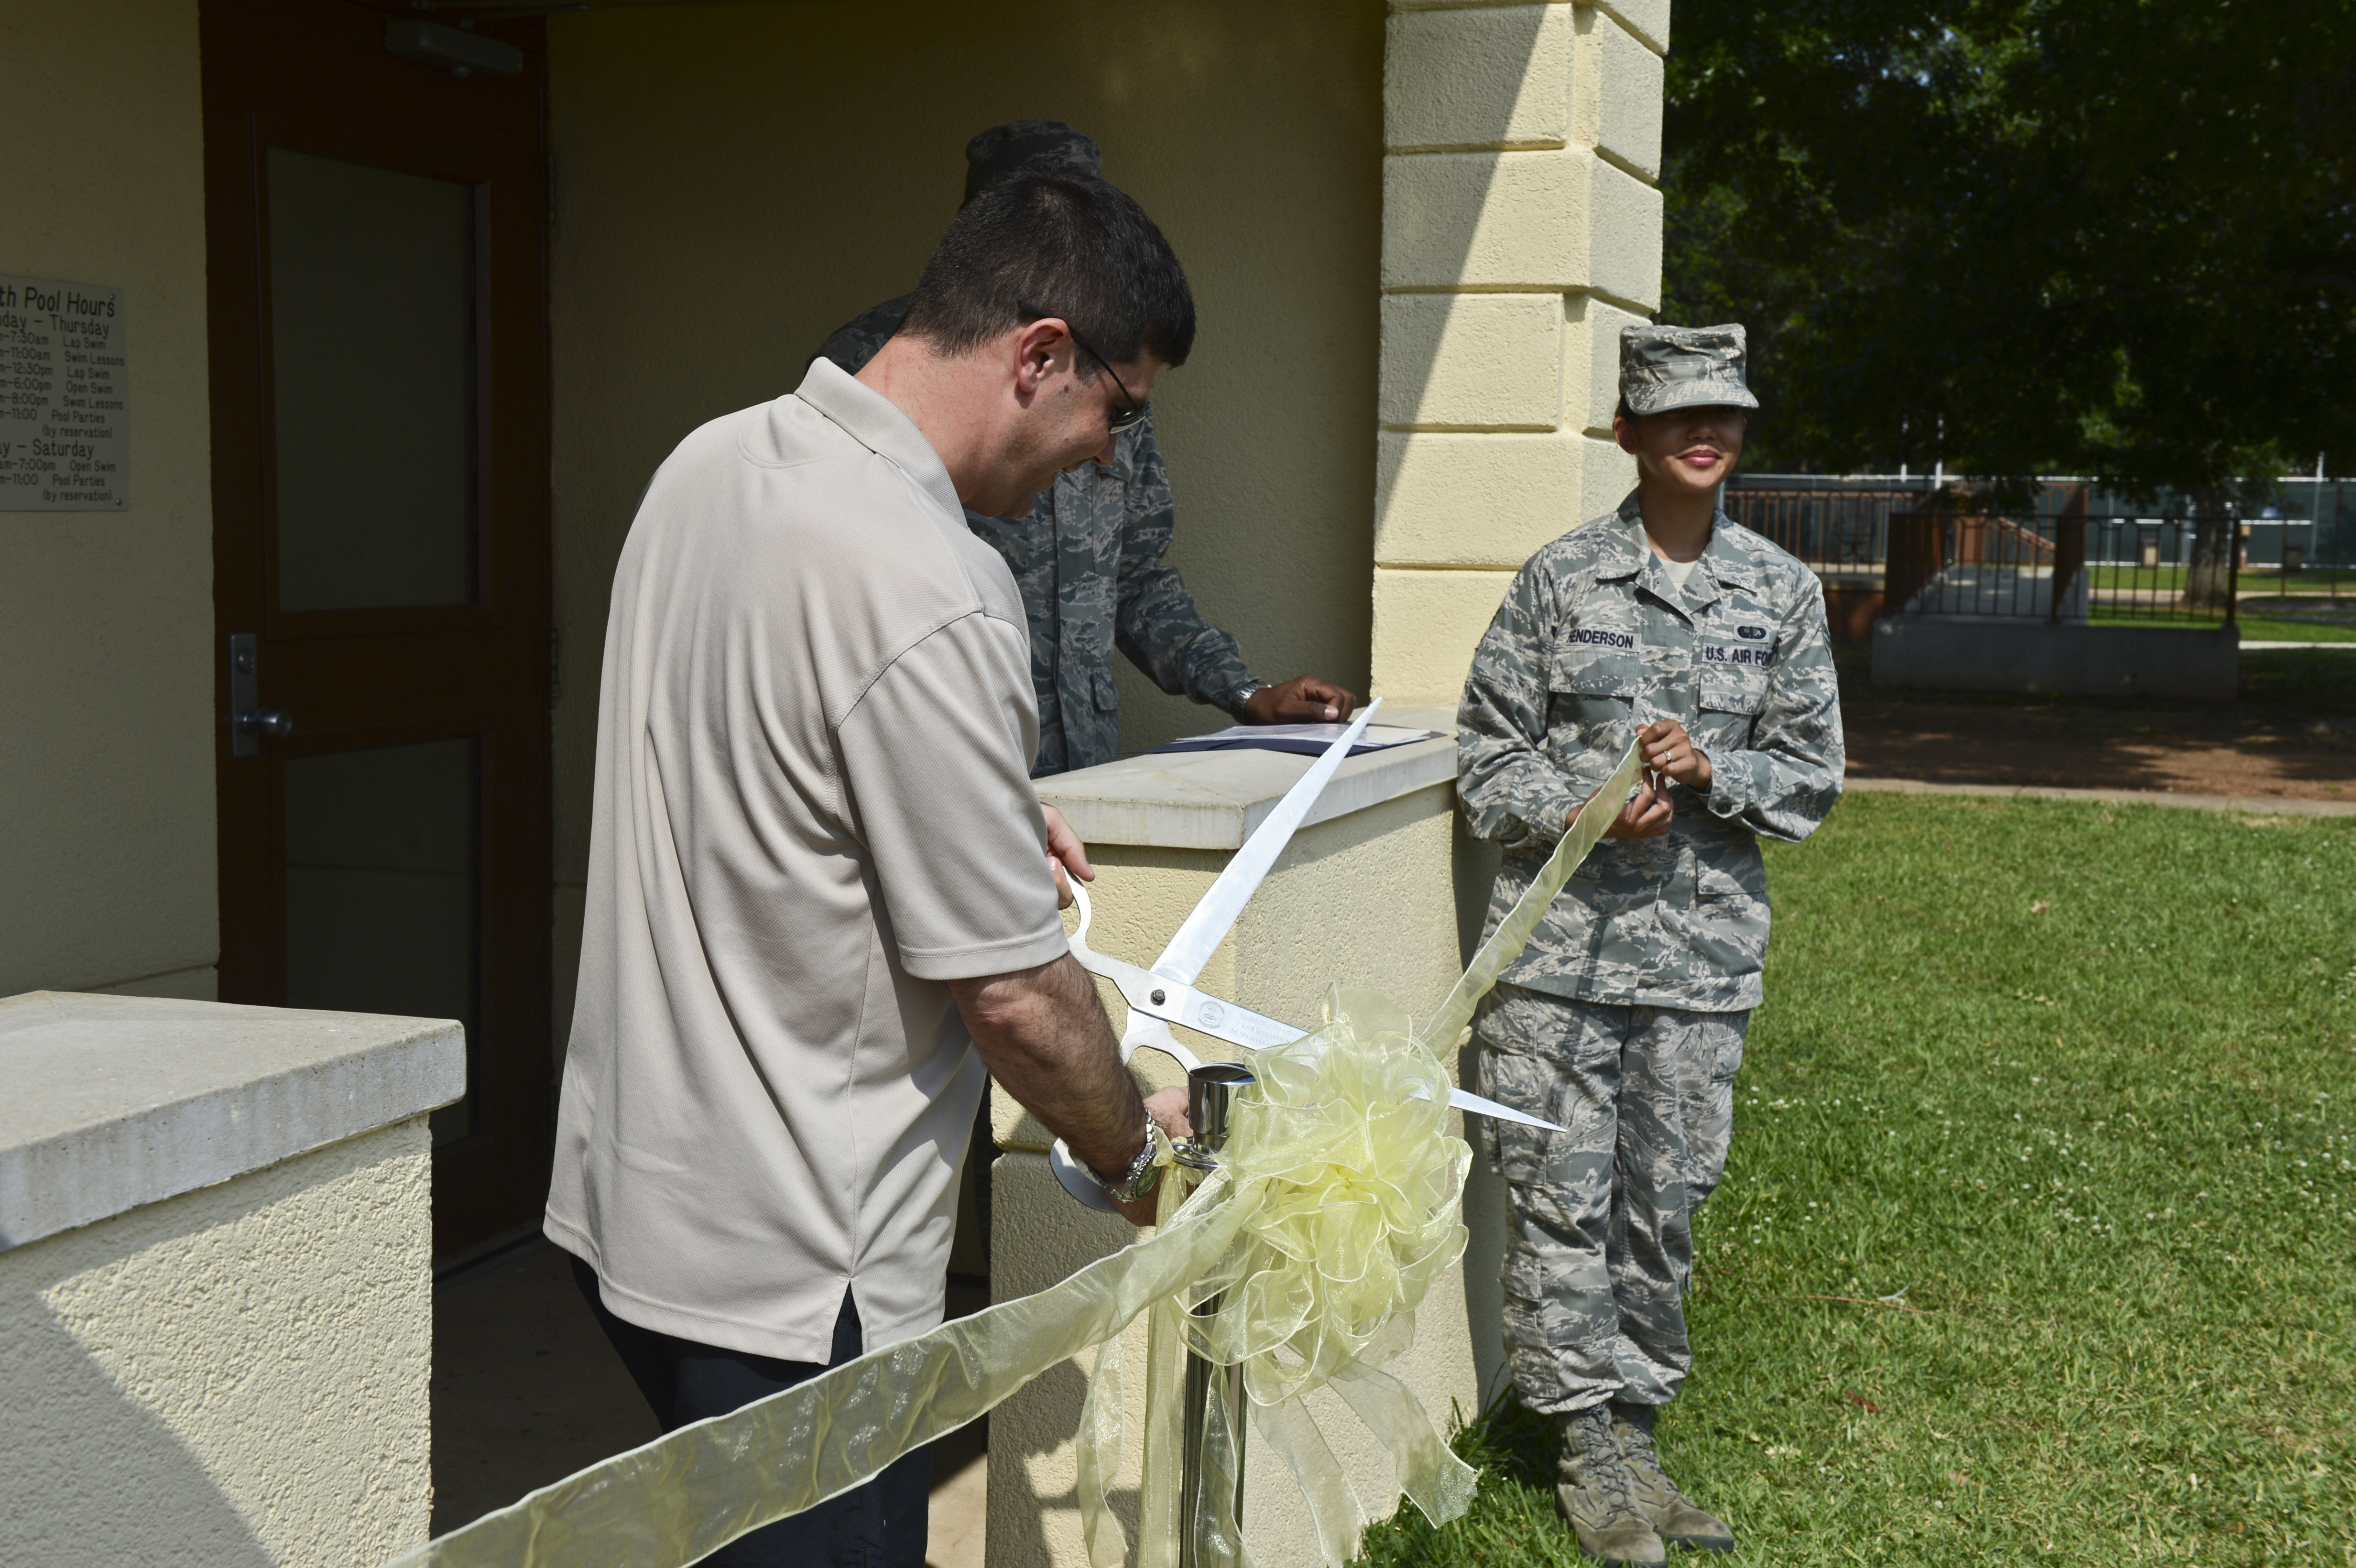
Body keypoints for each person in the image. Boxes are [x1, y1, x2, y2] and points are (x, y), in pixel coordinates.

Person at [546, 170, 1201, 1568]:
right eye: (1119, 414)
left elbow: (764, 753)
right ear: (1040, 356)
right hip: (802, 1282)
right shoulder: (931, 579)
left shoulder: (708, 466)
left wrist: (963, 803)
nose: (1109, 460)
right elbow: (1018, 991)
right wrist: (1136, 1150)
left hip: (639, 1215)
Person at [1455, 325, 1845, 1564]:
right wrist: (1575, 805)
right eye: (1677, 411)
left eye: (1724, 410)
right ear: (1627, 432)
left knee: (1663, 1206)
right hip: (1560, 961)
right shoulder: (1560, 581)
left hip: (1699, 965)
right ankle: (1586, 1448)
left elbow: (1813, 780)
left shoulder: (1781, 592)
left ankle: (1635, 1425)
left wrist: (1718, 768)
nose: (1705, 429)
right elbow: (1485, 752)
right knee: (1560, 1201)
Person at [818, 120, 1355, 776]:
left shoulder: (1109, 383)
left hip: (1082, 769)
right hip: (944, 764)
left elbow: (1137, 578)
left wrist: (1243, 691)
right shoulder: (880, 364)